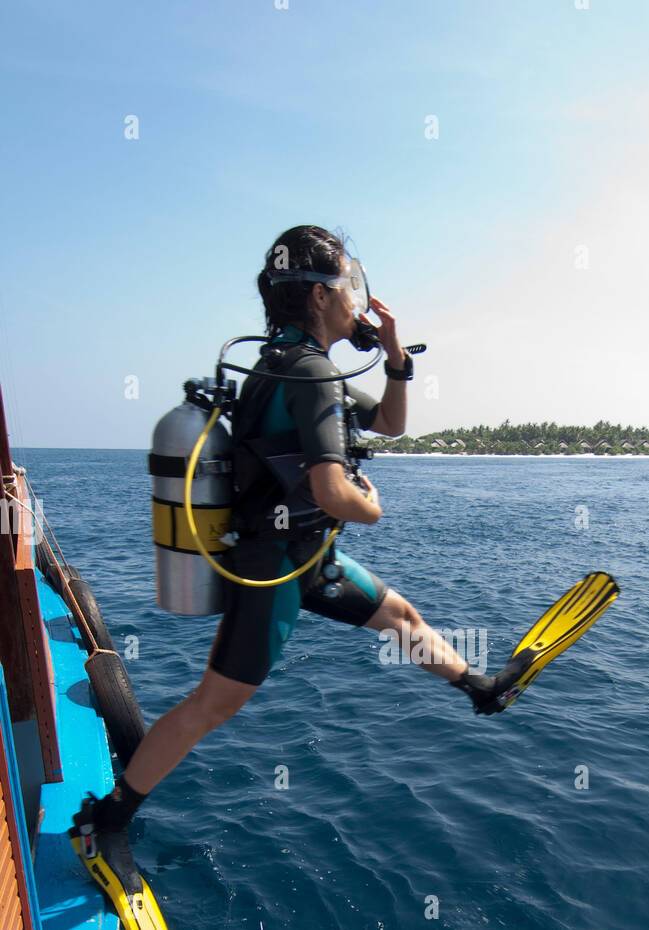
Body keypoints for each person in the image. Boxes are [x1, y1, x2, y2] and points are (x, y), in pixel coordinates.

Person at [82, 225, 531, 839]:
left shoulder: (291, 368)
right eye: (347, 285)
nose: (356, 298)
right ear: (319, 296)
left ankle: (478, 687)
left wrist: (397, 359)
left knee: (399, 616)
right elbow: (331, 491)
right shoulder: (312, 375)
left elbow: (392, 425)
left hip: (307, 557)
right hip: (274, 568)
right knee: (210, 707)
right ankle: (110, 819)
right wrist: (370, 506)